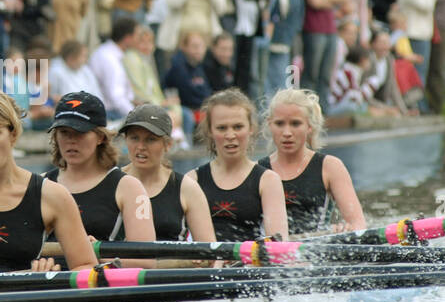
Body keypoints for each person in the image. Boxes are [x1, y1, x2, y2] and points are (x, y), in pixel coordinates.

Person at [0, 91, 95, 273]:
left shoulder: (53, 196)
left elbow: (86, 266)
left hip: (24, 296)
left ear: (13, 134)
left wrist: (47, 279)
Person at [44, 91, 155, 243]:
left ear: (101, 137)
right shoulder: (41, 183)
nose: (71, 140)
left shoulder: (129, 188)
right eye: (64, 132)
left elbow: (145, 260)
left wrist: (95, 253)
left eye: (79, 133)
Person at [259, 88, 366, 234]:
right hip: (276, 253)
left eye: (295, 124)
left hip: (317, 252)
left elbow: (358, 225)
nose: (287, 133)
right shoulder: (259, 170)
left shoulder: (330, 167)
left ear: (309, 126)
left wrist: (345, 230)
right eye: (279, 124)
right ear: (269, 124)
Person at [186, 88, 287, 243]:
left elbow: (278, 246)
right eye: (222, 128)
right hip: (206, 265)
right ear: (210, 131)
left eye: (238, 127)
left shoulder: (268, 180)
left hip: (250, 265)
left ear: (251, 129)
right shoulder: (192, 180)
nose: (230, 135)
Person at [119, 104, 216, 241]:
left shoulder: (186, 188)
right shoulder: (110, 182)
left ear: (168, 145)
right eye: (134, 138)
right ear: (125, 140)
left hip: (174, 262)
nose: (140, 147)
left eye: (150, 139)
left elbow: (208, 248)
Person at [89, 16, 140, 118]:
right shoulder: (108, 58)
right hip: (108, 113)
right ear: (127, 38)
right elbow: (116, 97)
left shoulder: (110, 53)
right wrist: (136, 116)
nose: (139, 39)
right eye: (137, 36)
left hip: (114, 110)